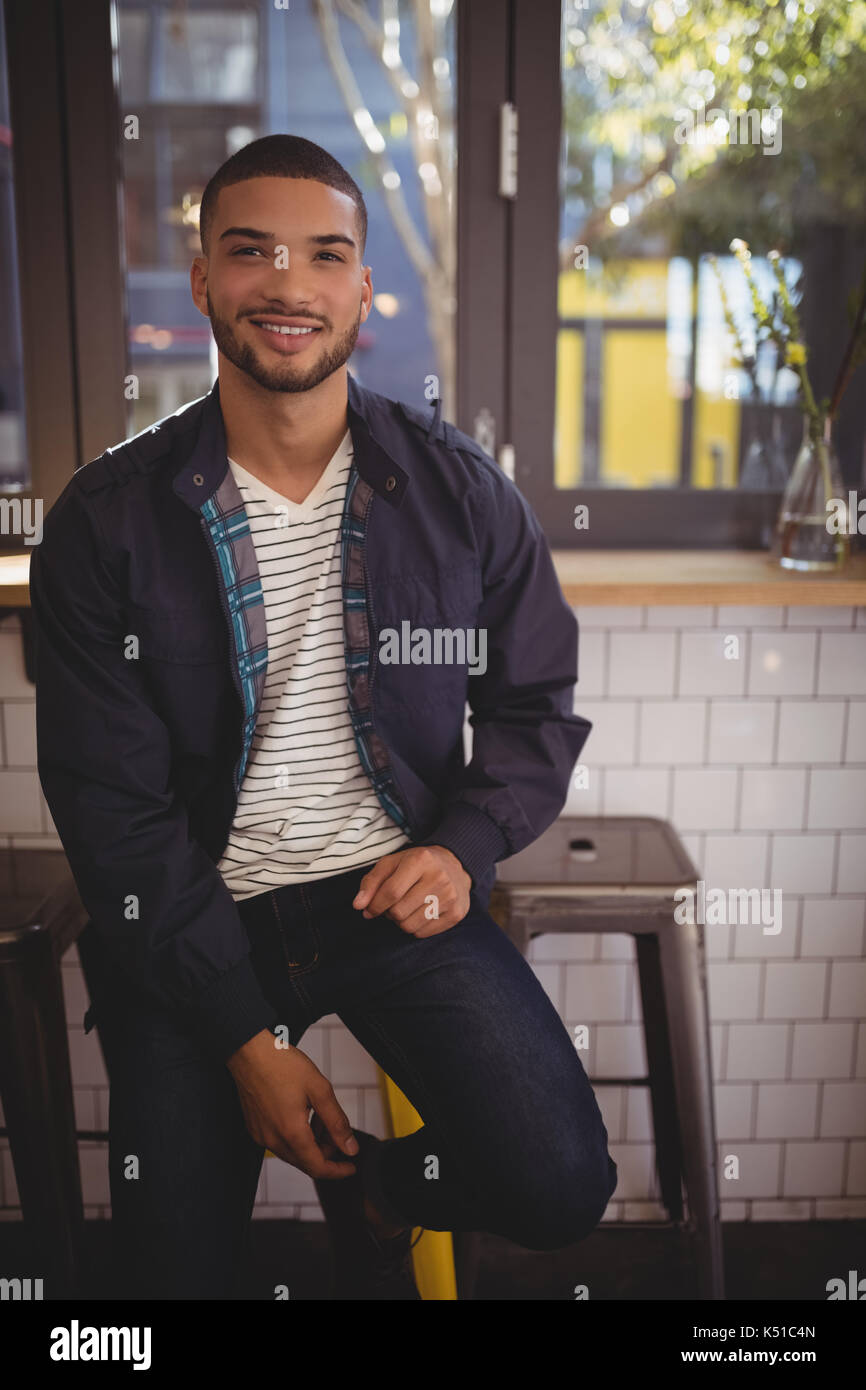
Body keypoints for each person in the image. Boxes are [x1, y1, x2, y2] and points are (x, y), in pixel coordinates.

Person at [30, 133, 617, 1301]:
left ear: (360, 289)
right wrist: (250, 1039)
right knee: (167, 1280)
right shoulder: (106, 521)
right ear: (203, 280)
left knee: (557, 1180)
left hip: (381, 897)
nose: (288, 284)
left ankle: (377, 1189)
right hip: (194, 918)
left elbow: (533, 707)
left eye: (324, 256)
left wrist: (461, 846)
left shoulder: (459, 492)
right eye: (251, 252)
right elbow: (114, 812)